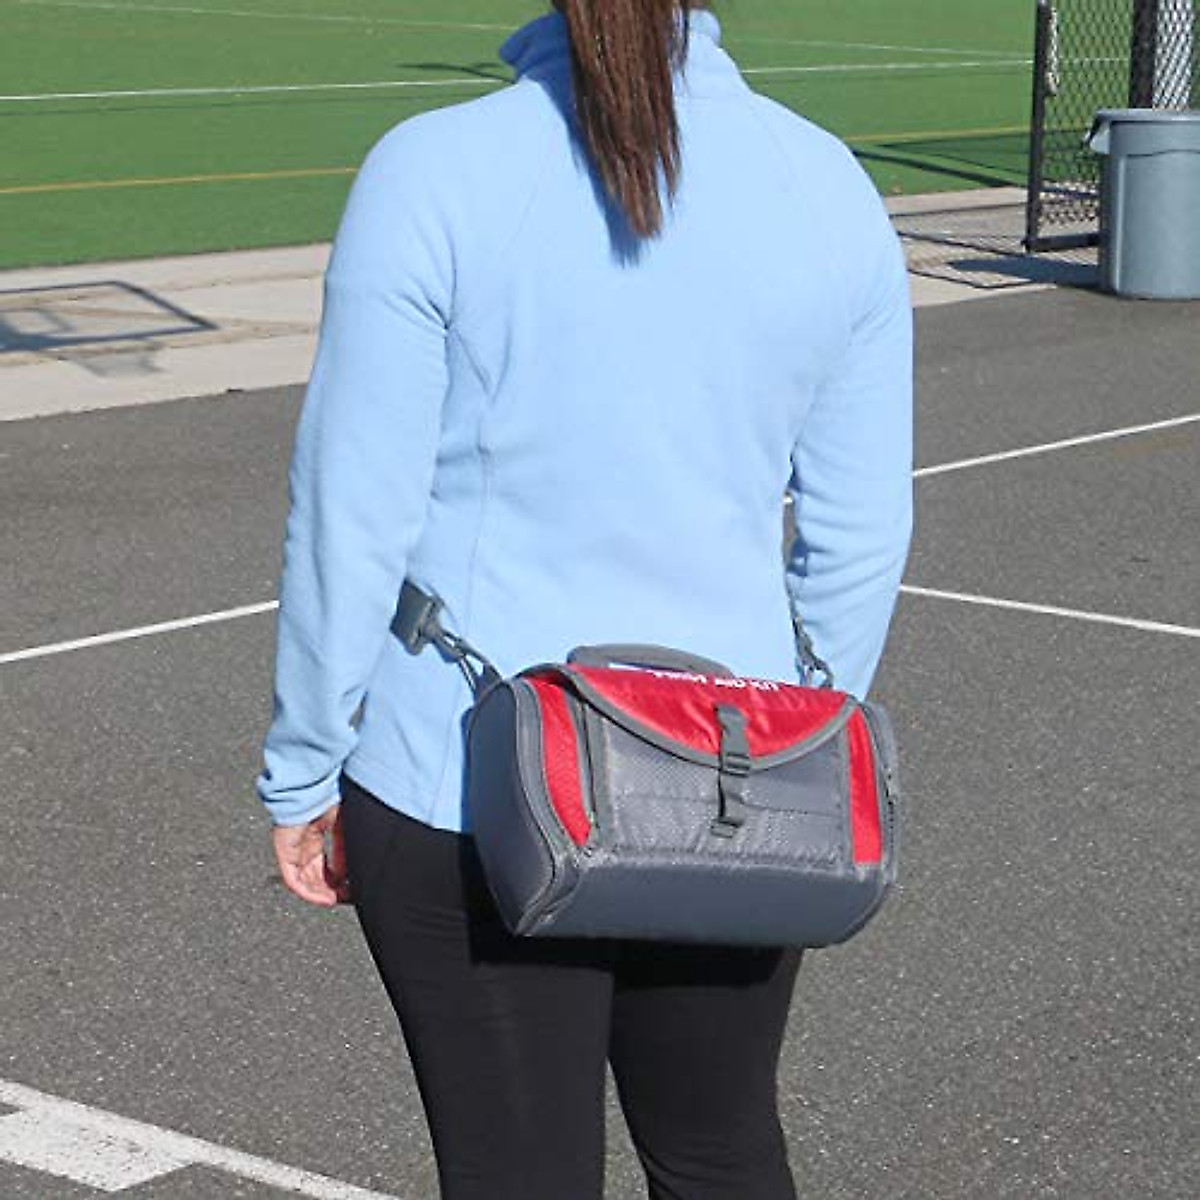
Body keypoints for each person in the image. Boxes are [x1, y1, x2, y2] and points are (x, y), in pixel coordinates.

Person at [258, 1, 912, 1197]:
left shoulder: (433, 171)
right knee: (719, 1150)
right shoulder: (828, 185)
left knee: (518, 1170)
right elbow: (861, 531)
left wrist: (304, 767)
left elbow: (352, 510)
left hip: (467, 773)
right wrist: (794, 742)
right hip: (730, 773)